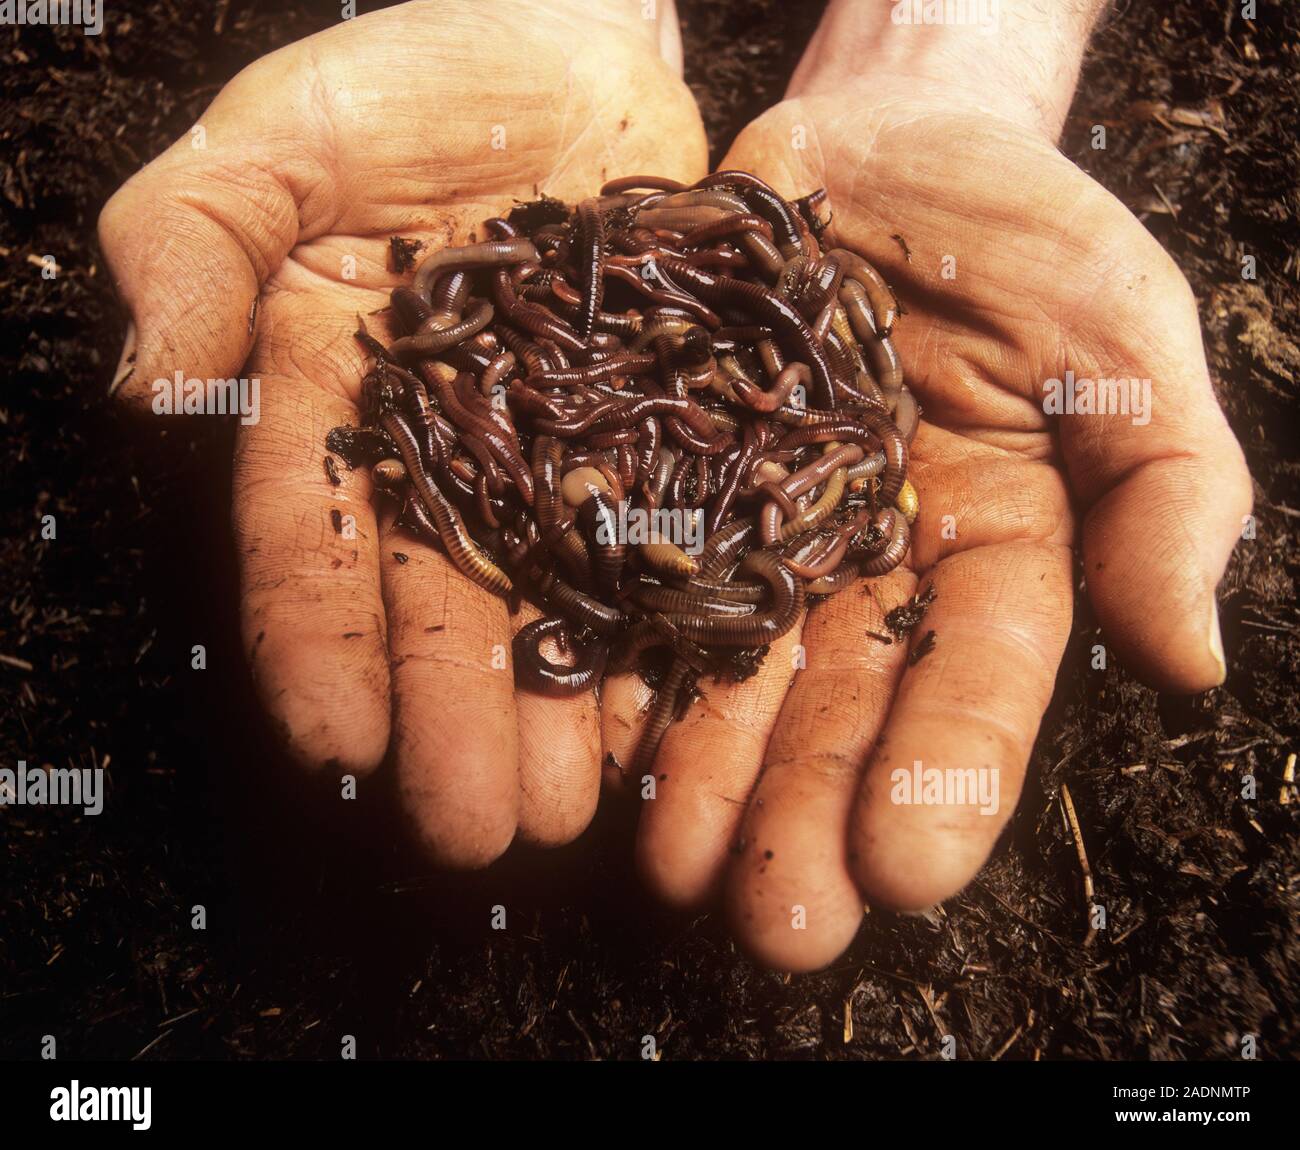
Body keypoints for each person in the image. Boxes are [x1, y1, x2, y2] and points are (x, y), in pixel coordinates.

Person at [99, 0, 1251, 971]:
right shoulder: (542, 375)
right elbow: (579, 424)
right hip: (633, 441)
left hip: (713, 460)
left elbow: (722, 435)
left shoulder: (788, 417)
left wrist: (951, 60)